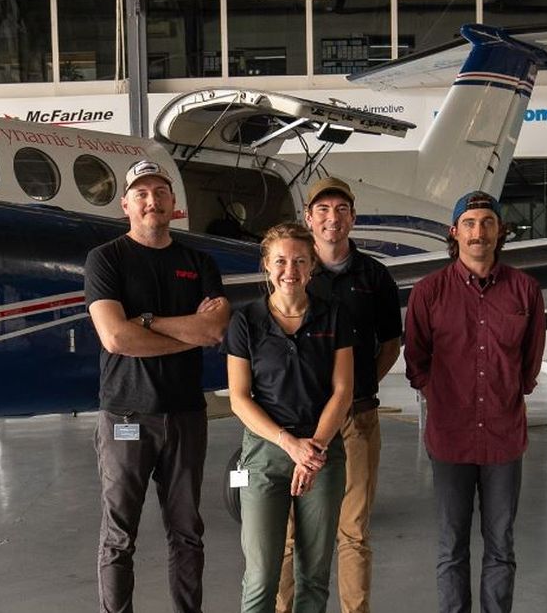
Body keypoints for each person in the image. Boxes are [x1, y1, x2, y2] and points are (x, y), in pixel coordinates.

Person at [85, 159, 231, 613]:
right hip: (126, 416)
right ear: (126, 204)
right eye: (142, 193)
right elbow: (115, 338)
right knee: (118, 535)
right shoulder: (105, 259)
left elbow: (214, 330)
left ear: (173, 202)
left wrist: (146, 321)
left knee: (187, 532)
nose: (152, 201)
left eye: (160, 192)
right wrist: (187, 333)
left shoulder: (198, 262)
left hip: (185, 415)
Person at [403, 190, 546, 613]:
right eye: (469, 224)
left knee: (501, 546)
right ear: (454, 232)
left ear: (500, 231)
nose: (478, 231)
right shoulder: (429, 292)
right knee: (452, 547)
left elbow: (530, 364)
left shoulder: (525, 291)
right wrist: (443, 399)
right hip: (450, 440)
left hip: (504, 439)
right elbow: (417, 363)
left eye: (487, 223)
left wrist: (505, 393)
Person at [277, 177, 403, 613]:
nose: (333, 218)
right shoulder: (292, 273)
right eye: (323, 209)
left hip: (357, 420)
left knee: (354, 531)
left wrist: (356, 390)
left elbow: (390, 344)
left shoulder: (375, 276)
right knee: (288, 534)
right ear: (308, 217)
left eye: (341, 209)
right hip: (301, 422)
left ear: (353, 217)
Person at [225, 222, 354, 613]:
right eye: (280, 260)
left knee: (313, 576)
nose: (290, 270)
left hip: (321, 453)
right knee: (261, 576)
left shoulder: (333, 317)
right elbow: (239, 398)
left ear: (312, 266)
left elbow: (343, 391)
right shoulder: (245, 322)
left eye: (299, 261)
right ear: (267, 265)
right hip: (265, 454)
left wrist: (312, 451)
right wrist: (289, 444)